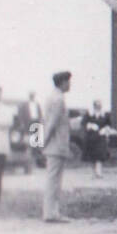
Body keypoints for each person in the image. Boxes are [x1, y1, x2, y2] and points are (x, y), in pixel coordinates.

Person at [40, 71, 71, 222]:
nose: (69, 84)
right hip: (56, 145)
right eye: (68, 81)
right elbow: (51, 123)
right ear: (62, 82)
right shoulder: (58, 99)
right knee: (54, 180)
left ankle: (51, 212)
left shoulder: (51, 97)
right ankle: (51, 213)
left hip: (53, 145)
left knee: (53, 179)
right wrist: (43, 142)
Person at [81, 100, 111, 178]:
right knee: (92, 156)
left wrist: (105, 129)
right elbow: (83, 123)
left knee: (100, 155)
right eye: (97, 105)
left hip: (101, 137)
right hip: (91, 137)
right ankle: (93, 173)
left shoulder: (105, 115)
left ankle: (99, 173)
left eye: (99, 105)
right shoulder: (89, 114)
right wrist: (90, 125)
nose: (98, 107)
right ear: (94, 106)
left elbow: (108, 124)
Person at [19, 90, 42, 173]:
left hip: (36, 124)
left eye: (33, 94)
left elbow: (40, 115)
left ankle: (33, 166)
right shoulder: (24, 105)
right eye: (31, 95)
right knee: (27, 145)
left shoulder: (37, 104)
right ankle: (27, 168)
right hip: (27, 125)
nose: (32, 96)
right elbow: (20, 115)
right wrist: (22, 124)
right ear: (29, 95)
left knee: (35, 145)